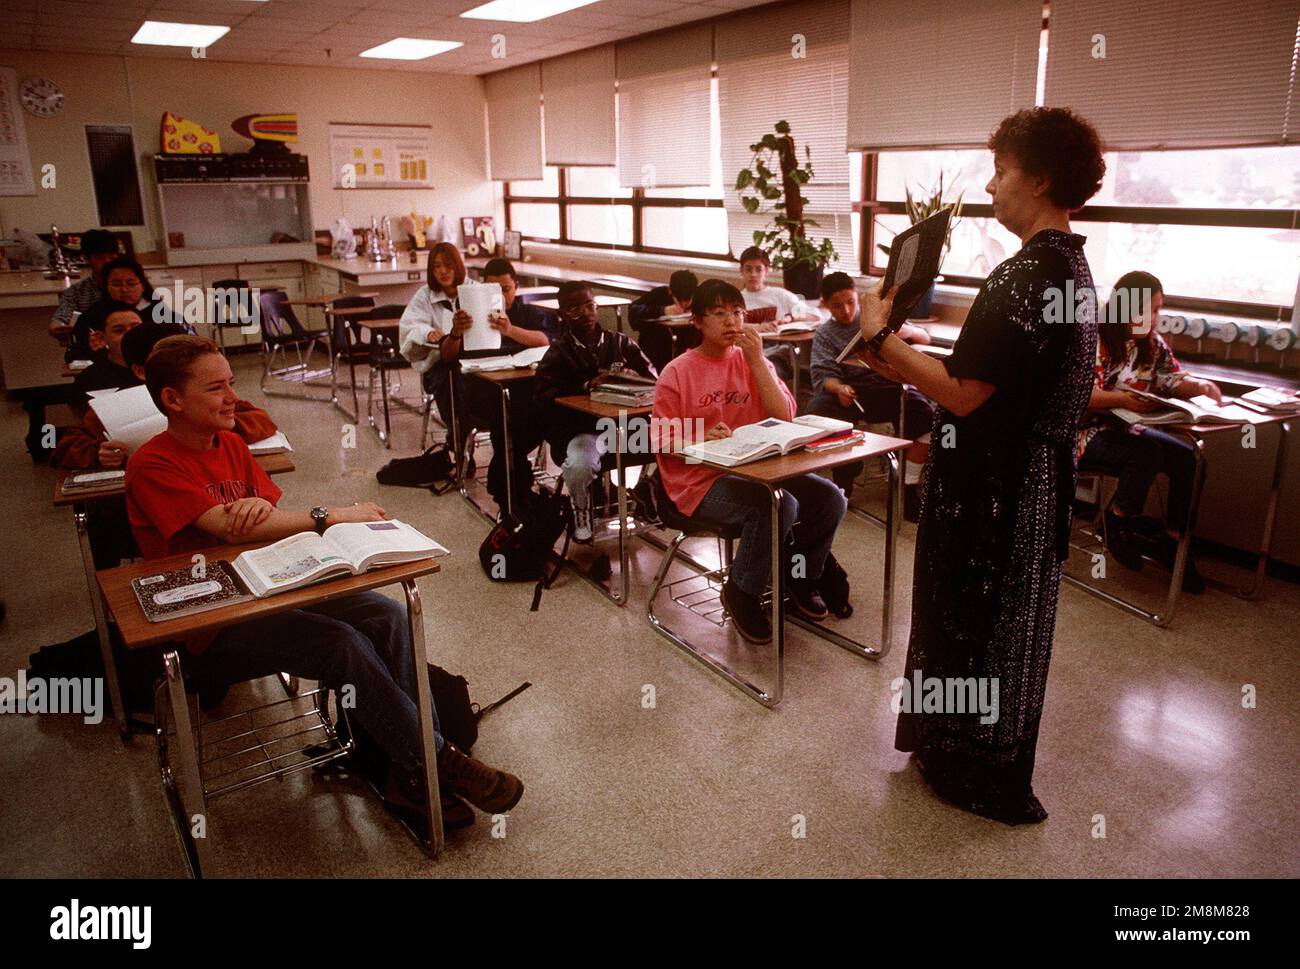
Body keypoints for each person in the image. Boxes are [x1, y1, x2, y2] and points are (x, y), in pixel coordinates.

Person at [125, 335, 524, 830]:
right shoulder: (151, 463)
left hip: (262, 586)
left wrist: (252, 518)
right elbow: (228, 526)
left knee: (388, 612)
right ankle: (437, 760)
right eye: (216, 388)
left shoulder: (229, 443)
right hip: (207, 622)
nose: (233, 396)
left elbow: (258, 516)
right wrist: (328, 516)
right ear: (172, 399)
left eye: (231, 382)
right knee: (340, 642)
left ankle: (413, 768)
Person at [855, 107, 1106, 824]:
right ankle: (969, 745)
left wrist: (878, 337)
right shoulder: (1072, 267)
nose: (992, 187)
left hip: (998, 487)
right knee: (1007, 622)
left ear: (1042, 177)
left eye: (1001, 171)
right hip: (1030, 480)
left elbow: (964, 393)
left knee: (977, 617)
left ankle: (967, 757)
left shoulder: (1030, 273)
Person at [653, 279, 848, 644]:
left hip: (759, 469)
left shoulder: (752, 359)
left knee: (830, 499)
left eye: (738, 312)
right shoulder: (677, 371)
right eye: (719, 314)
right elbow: (660, 439)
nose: (732, 322)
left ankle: (799, 573)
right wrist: (698, 437)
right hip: (700, 480)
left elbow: (785, 415)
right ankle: (742, 590)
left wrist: (758, 360)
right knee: (777, 505)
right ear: (697, 321)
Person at [1078, 271, 1218, 591]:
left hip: (1128, 430)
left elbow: (1171, 379)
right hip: (1083, 434)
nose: (1156, 318)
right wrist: (1123, 399)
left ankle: (1173, 542)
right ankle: (1117, 520)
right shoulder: (1093, 338)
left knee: (1190, 459)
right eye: (1150, 310)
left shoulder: (1152, 344)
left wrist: (1199, 386)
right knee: (1147, 452)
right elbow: (1083, 394)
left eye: (1158, 310)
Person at [399, 246, 552, 511]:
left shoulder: (478, 292)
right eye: (437, 266)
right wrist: (432, 333)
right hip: (447, 365)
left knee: (519, 406)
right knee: (455, 386)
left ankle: (507, 469)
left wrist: (506, 329)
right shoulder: (425, 296)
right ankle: (459, 442)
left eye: (448, 265)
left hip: (488, 368)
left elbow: (537, 338)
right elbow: (413, 327)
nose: (443, 271)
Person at [805, 272, 936, 519]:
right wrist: (839, 388)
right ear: (825, 305)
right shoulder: (824, 333)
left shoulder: (876, 319)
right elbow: (823, 374)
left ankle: (907, 488)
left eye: (850, 302)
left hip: (889, 385)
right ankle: (843, 479)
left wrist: (900, 335)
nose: (845, 310)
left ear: (858, 298)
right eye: (837, 305)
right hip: (852, 390)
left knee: (926, 416)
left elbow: (924, 337)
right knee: (817, 411)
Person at [533, 281, 657, 542]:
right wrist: (586, 386)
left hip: (625, 428)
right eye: (575, 310)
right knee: (579, 465)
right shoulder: (558, 352)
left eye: (590, 306)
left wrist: (634, 378)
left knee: (679, 441)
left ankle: (650, 492)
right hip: (584, 431)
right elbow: (543, 397)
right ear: (563, 315)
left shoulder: (620, 343)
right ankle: (580, 510)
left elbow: (655, 380)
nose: (586, 314)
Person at [737, 246, 820, 387]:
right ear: (741, 271)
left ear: (766, 271)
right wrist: (758, 327)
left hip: (777, 351)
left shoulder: (780, 295)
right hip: (745, 351)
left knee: (770, 375)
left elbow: (814, 315)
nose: (753, 274)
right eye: (748, 269)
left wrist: (789, 317)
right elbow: (729, 323)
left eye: (759, 269)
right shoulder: (736, 299)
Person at [49, 229, 120, 356]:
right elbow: (62, 317)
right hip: (94, 351)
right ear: (86, 259)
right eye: (100, 258)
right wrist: (57, 327)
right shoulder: (77, 291)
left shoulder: (130, 286)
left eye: (112, 257)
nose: (108, 262)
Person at [628, 270, 700, 371]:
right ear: (670, 291)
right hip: (659, 348)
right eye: (679, 300)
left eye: (687, 301)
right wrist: (662, 310)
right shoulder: (660, 294)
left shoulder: (699, 297)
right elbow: (633, 312)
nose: (683, 306)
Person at [100, 256, 187, 332]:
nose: (124, 290)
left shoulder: (167, 317)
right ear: (106, 287)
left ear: (143, 286)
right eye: (117, 285)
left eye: (131, 284)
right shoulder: (95, 315)